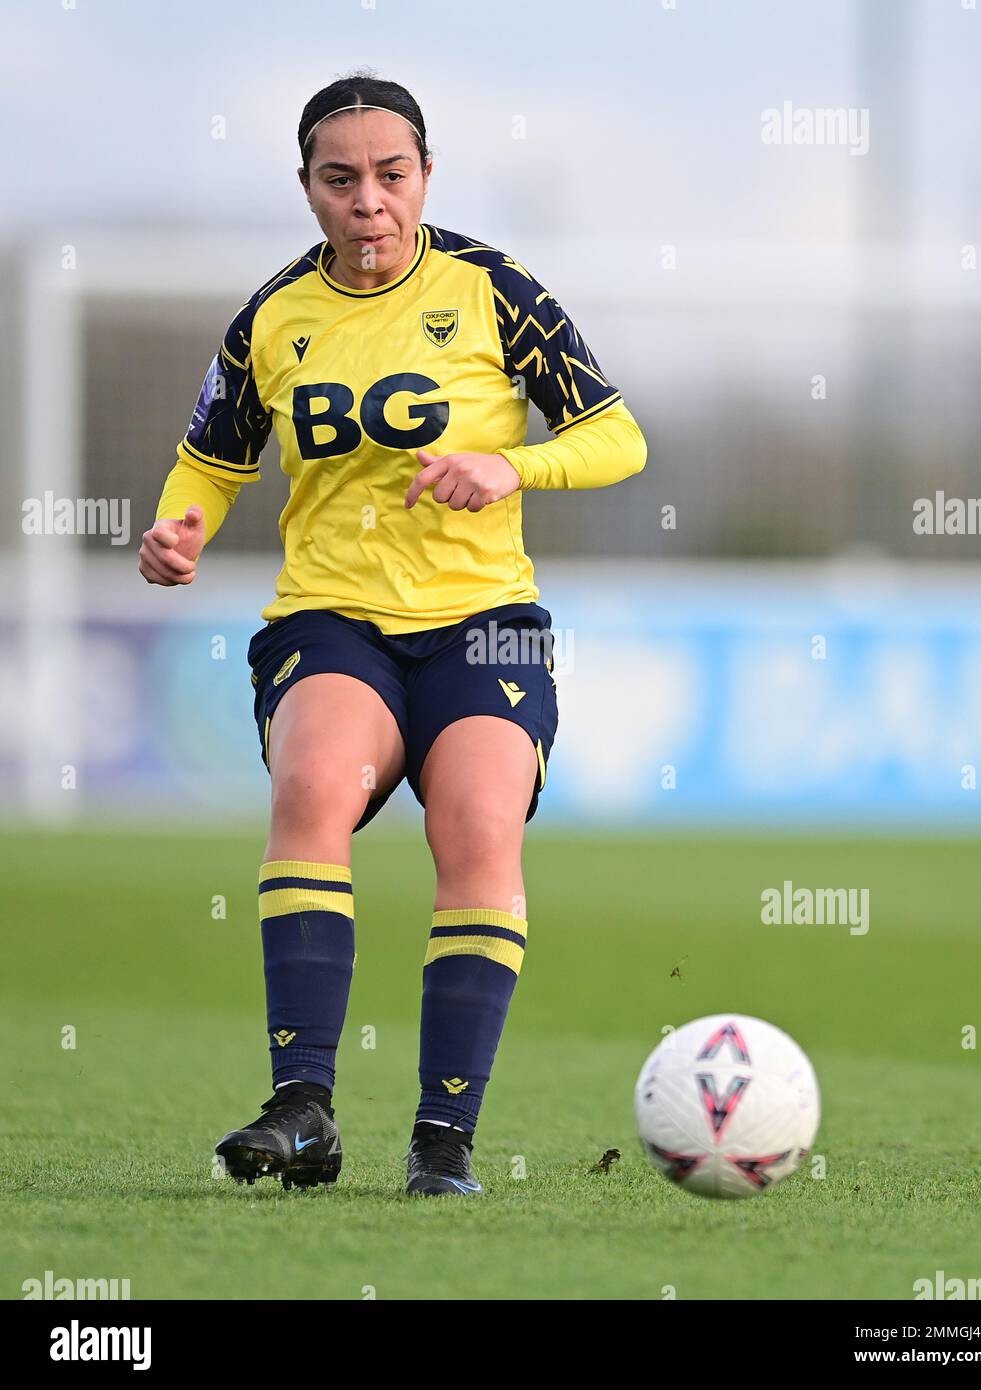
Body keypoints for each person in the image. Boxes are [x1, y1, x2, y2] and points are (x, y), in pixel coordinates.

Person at [139, 72, 647, 1196]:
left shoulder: (494, 289)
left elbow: (617, 441)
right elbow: (214, 460)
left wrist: (506, 463)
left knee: (475, 830)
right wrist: (182, 525)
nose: (369, 200)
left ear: (424, 176)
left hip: (486, 625)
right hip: (333, 620)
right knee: (314, 785)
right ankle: (303, 1105)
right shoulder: (272, 316)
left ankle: (443, 1141)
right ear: (309, 189)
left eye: (391, 174)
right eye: (341, 179)